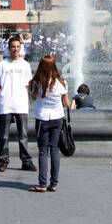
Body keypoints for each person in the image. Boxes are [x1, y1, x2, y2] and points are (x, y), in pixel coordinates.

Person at [0, 36, 36, 173]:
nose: (15, 49)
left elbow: (28, 84)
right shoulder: (2, 65)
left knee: (23, 135)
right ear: (8, 48)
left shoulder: (25, 65)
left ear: (20, 48)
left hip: (21, 104)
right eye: (13, 47)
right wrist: (4, 97)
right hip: (5, 104)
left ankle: (26, 161)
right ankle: (3, 160)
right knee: (4, 135)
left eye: (17, 47)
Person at [27, 55, 70, 193]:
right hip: (58, 118)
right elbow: (66, 103)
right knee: (54, 150)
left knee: (43, 151)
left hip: (42, 119)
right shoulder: (62, 82)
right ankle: (54, 183)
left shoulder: (36, 82)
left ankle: (42, 183)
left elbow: (34, 97)